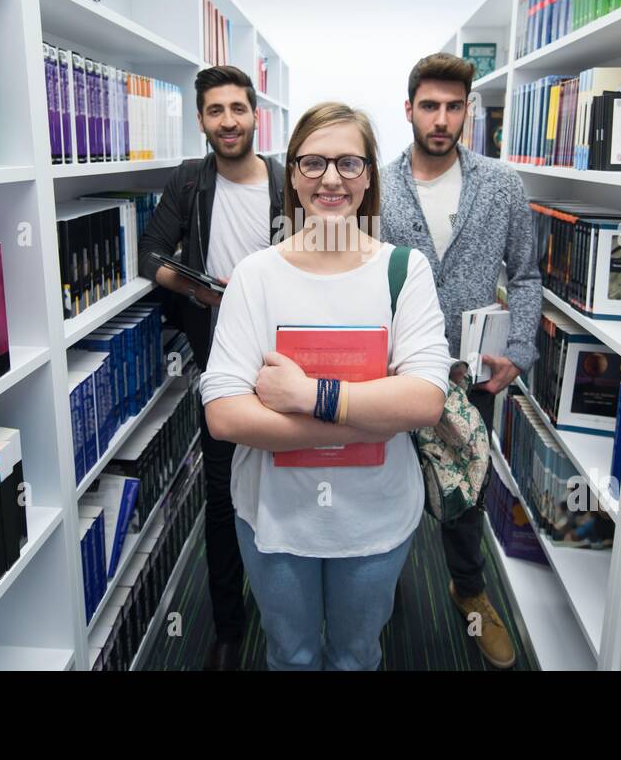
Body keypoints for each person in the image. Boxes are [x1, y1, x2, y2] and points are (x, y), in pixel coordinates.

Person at [199, 102, 451, 671]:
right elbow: (225, 416)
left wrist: (307, 396)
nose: (331, 179)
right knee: (290, 654)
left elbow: (425, 401)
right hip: (275, 516)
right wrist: (369, 413)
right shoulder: (256, 274)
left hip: (376, 517)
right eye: (312, 163)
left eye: (348, 163)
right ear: (292, 173)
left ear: (369, 176)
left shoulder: (403, 271)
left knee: (356, 656)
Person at [380, 52, 543, 670]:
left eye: (454, 107)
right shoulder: (377, 180)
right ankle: (381, 592)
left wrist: (520, 351)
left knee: (464, 497)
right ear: (409, 110)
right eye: (430, 106)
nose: (441, 119)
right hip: (392, 372)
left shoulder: (502, 184)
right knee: (385, 484)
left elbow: (525, 277)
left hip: (468, 373)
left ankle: (470, 592)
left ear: (468, 110)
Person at [138, 65, 285, 670]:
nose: (228, 121)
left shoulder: (286, 180)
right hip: (217, 364)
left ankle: (295, 611)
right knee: (221, 497)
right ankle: (229, 624)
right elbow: (150, 256)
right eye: (215, 111)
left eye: (238, 109)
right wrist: (197, 291)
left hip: (283, 361)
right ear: (201, 120)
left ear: (256, 116)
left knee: (290, 481)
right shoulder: (189, 183)